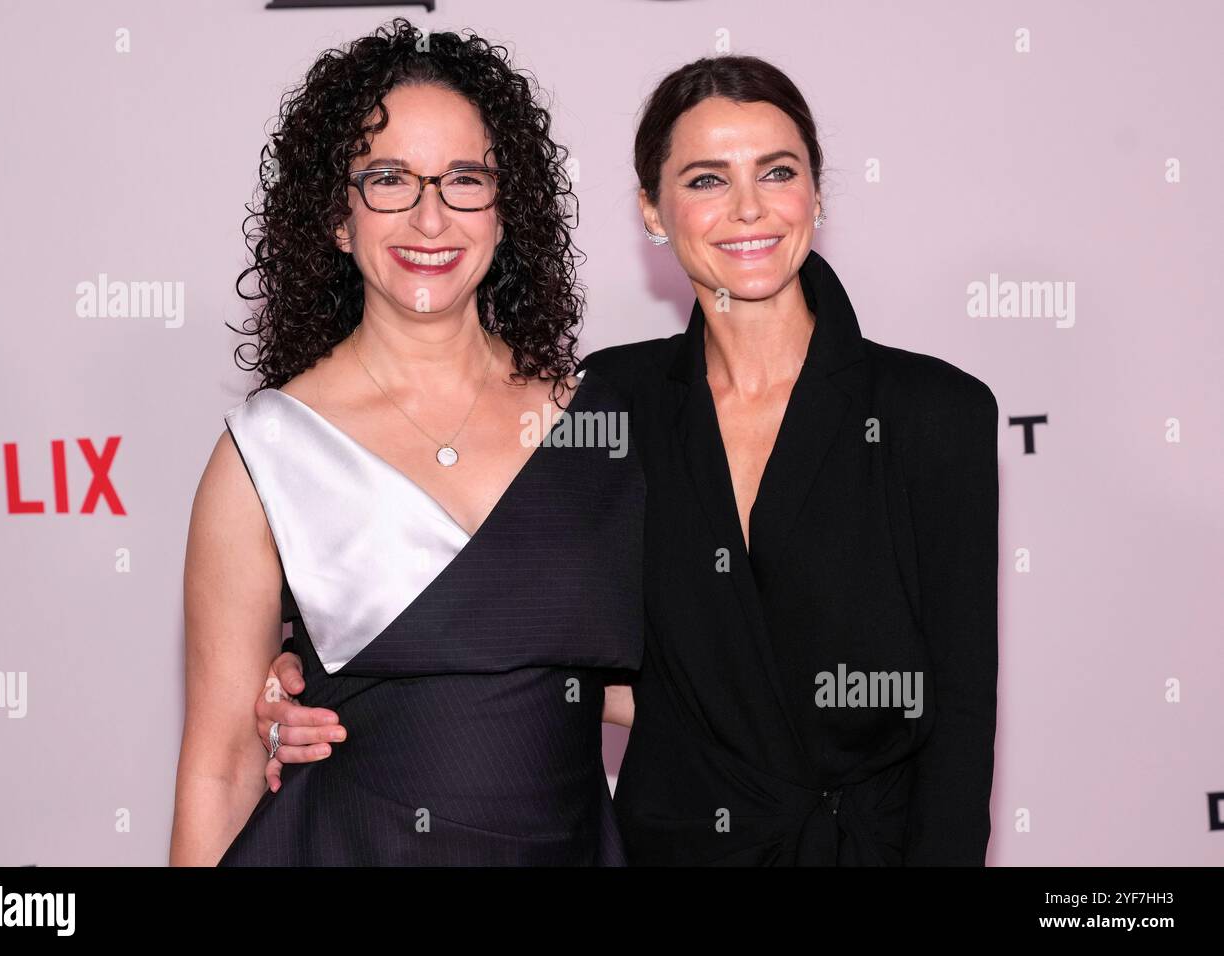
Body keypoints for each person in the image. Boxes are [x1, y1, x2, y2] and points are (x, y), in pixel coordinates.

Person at [257, 54, 1000, 866]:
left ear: (816, 195)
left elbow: (959, 717)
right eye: (707, 180)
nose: (748, 208)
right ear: (653, 210)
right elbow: (536, 642)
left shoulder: (935, 412)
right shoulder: (608, 402)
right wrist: (330, 694)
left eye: (776, 172)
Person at [169, 19, 643, 866]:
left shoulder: (601, 423)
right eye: (388, 179)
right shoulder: (268, 452)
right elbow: (220, 764)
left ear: (507, 214)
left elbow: (677, 690)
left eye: (464, 179)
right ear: (337, 218)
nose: (430, 217)